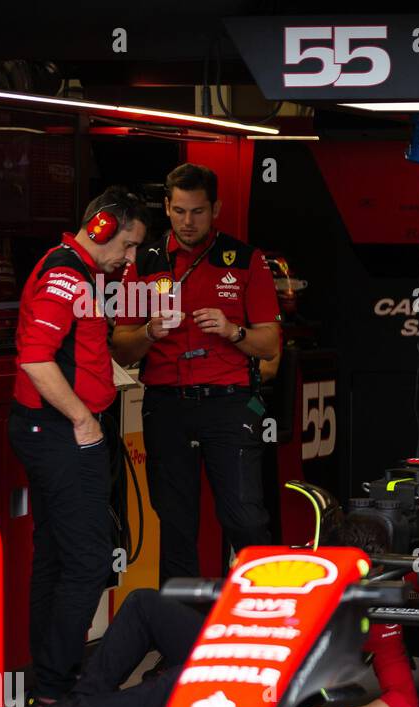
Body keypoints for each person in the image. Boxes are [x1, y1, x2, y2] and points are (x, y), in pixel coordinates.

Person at [52, 514, 418, 707]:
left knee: (182, 683)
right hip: (237, 640)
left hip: (274, 684)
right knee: (144, 603)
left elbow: (404, 700)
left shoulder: (377, 611)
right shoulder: (302, 560)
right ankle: (86, 704)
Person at [111, 163, 281, 584]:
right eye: (180, 211)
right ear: (167, 207)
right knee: (175, 523)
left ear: (216, 208)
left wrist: (231, 330)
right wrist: (150, 332)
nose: (188, 222)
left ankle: (267, 618)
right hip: (167, 406)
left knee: (245, 518)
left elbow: (270, 344)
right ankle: (179, 637)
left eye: (199, 211)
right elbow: (121, 346)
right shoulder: (144, 262)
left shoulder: (246, 260)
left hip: (230, 403)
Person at [11, 187, 147, 704]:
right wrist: (83, 420)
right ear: (102, 228)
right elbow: (35, 359)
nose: (130, 258)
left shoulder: (83, 272)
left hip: (48, 431)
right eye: (128, 245)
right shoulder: (66, 275)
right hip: (62, 435)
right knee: (90, 562)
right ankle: (58, 686)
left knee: (54, 556)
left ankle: (48, 685)